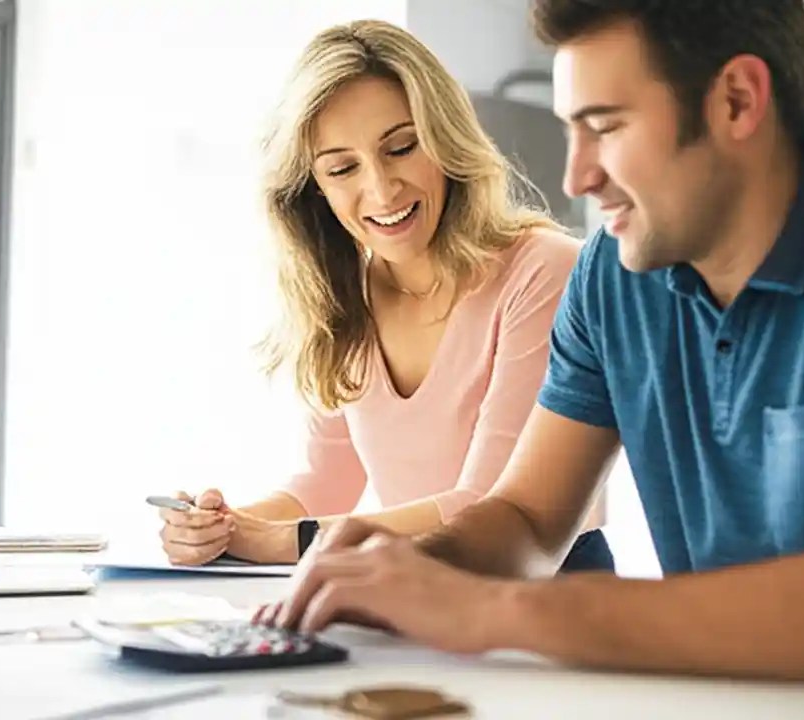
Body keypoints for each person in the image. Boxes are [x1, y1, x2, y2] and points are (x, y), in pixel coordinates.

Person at [259, 1, 804, 716]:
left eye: (604, 127)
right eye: (570, 130)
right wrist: (410, 567)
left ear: (737, 101)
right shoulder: (612, 273)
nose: (576, 177)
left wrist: (503, 611)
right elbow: (524, 516)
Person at [155, 19, 611, 571]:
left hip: (550, 588)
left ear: (445, 139)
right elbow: (323, 485)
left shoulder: (545, 272)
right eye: (343, 168)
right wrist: (221, 529)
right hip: (417, 588)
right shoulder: (344, 296)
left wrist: (281, 540)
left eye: (400, 148)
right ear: (314, 190)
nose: (381, 188)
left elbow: (489, 509)